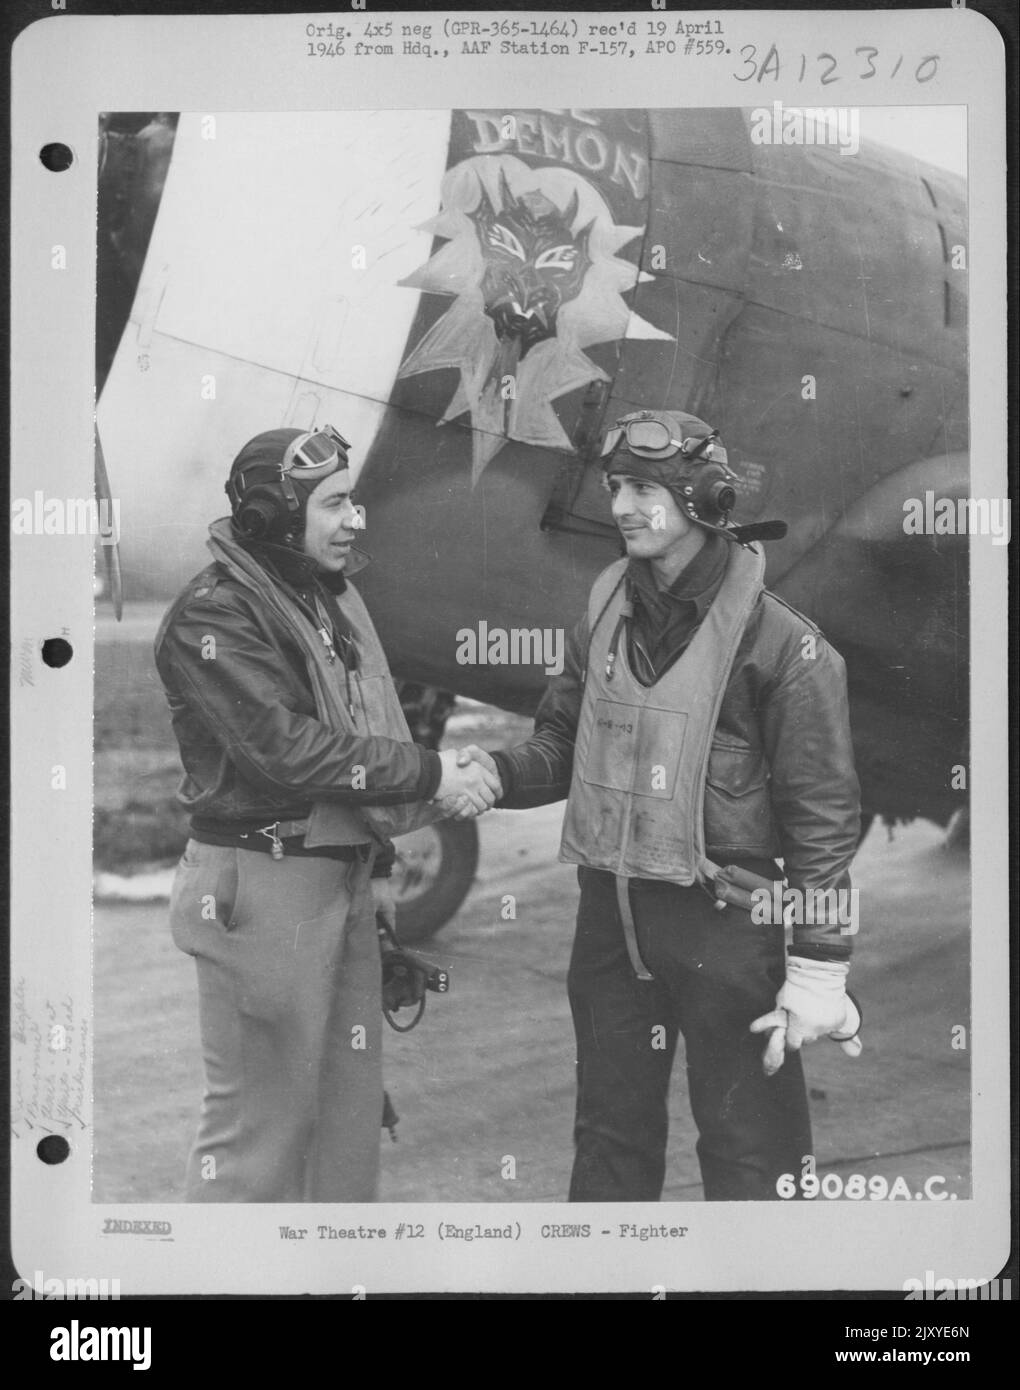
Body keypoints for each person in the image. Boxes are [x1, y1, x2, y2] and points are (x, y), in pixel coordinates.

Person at [462, 409, 863, 1201]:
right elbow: (563, 744)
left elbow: (824, 821)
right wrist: (495, 774)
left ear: (704, 498)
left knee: (754, 1156)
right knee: (607, 1145)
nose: (620, 507)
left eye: (644, 488)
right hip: (611, 921)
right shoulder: (605, 610)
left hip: (725, 923)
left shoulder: (783, 647)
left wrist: (819, 966)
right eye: (615, 487)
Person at [154, 424, 499, 1203]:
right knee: (259, 1137)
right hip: (261, 883)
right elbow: (291, 752)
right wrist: (436, 771)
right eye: (336, 504)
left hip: (336, 873)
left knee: (345, 1126)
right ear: (275, 516)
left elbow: (357, 726)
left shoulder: (319, 599)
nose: (357, 520)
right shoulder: (215, 619)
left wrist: (375, 869)